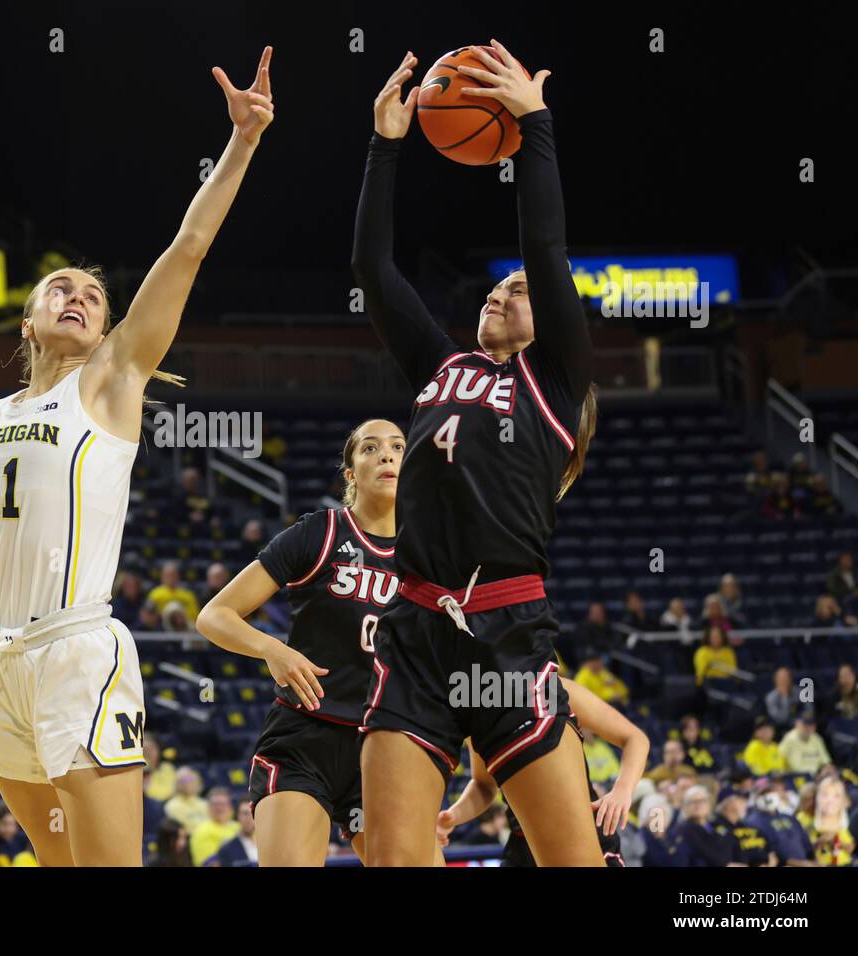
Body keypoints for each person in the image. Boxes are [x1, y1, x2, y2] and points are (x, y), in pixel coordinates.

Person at [0, 45, 275, 867]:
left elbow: (188, 248)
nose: (80, 298)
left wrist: (242, 142)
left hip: (74, 649)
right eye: (61, 289)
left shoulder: (112, 381)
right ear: (28, 321)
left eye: (93, 294)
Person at [353, 45, 600, 867]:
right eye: (496, 289)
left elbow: (545, 246)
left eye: (517, 291)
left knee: (572, 859)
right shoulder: (443, 367)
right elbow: (374, 270)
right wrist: (387, 145)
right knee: (392, 858)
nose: (501, 292)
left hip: (510, 632)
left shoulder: (556, 382)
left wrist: (535, 128)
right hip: (416, 627)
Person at [197, 419, 403, 865]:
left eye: (398, 447)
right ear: (351, 473)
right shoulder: (320, 532)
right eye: (370, 448)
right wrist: (274, 649)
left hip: (383, 746)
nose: (386, 455)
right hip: (305, 739)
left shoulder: (430, 553)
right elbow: (214, 615)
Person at [438, 677, 646, 867]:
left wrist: (622, 789)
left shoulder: (554, 687)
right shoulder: (481, 703)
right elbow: (484, 785)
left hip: (583, 836)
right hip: (523, 846)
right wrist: (454, 815)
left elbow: (635, 738)